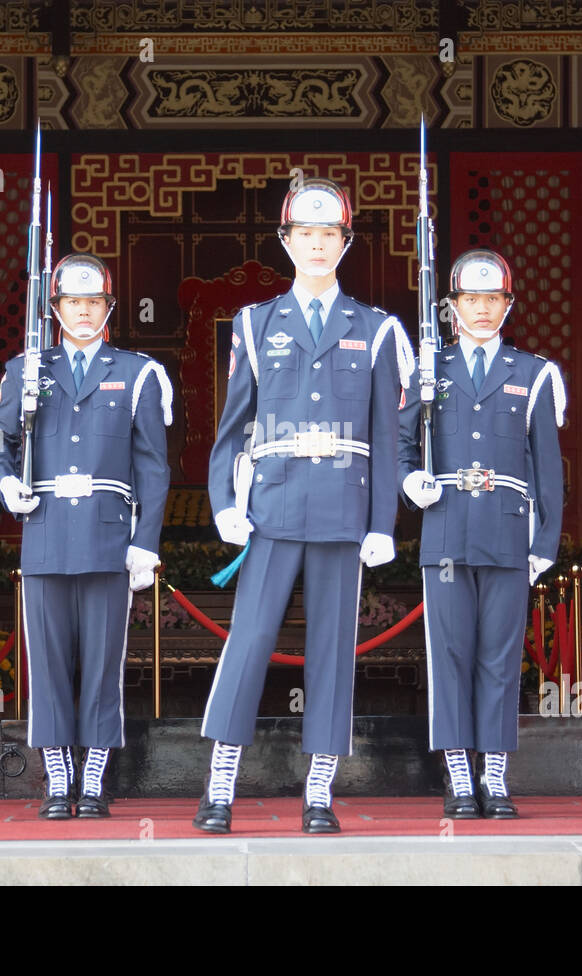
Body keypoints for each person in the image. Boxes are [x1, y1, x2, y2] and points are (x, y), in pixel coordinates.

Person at [193, 178, 414, 835]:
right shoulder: (256, 323)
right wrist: (223, 502)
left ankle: (320, 792)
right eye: (305, 235)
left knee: (333, 649)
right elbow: (232, 424)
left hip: (344, 508)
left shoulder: (375, 330)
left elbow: (388, 434)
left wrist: (383, 523)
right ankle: (221, 786)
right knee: (250, 641)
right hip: (275, 503)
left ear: (345, 244)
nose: (317, 245)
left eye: (330, 235)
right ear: (286, 242)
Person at [0, 253, 171, 819]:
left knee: (102, 661)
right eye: (72, 303)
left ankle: (94, 778)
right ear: (55, 309)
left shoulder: (137, 372)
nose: (83, 313)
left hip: (108, 536)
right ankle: (57, 776)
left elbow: (153, 467)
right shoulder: (26, 370)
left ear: (107, 308)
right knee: (48, 662)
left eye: (93, 303)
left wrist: (147, 541)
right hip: (45, 531)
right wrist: (7, 484)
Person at [398, 249, 565, 819]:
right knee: (448, 655)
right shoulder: (428, 369)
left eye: (493, 299)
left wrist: (544, 544)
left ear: (508, 305)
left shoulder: (533, 374)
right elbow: (400, 446)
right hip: (445, 529)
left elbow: (549, 468)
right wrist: (408, 479)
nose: (483, 309)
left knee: (499, 656)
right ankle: (458, 777)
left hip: (506, 533)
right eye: (471, 299)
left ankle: (494, 776)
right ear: (451, 307)